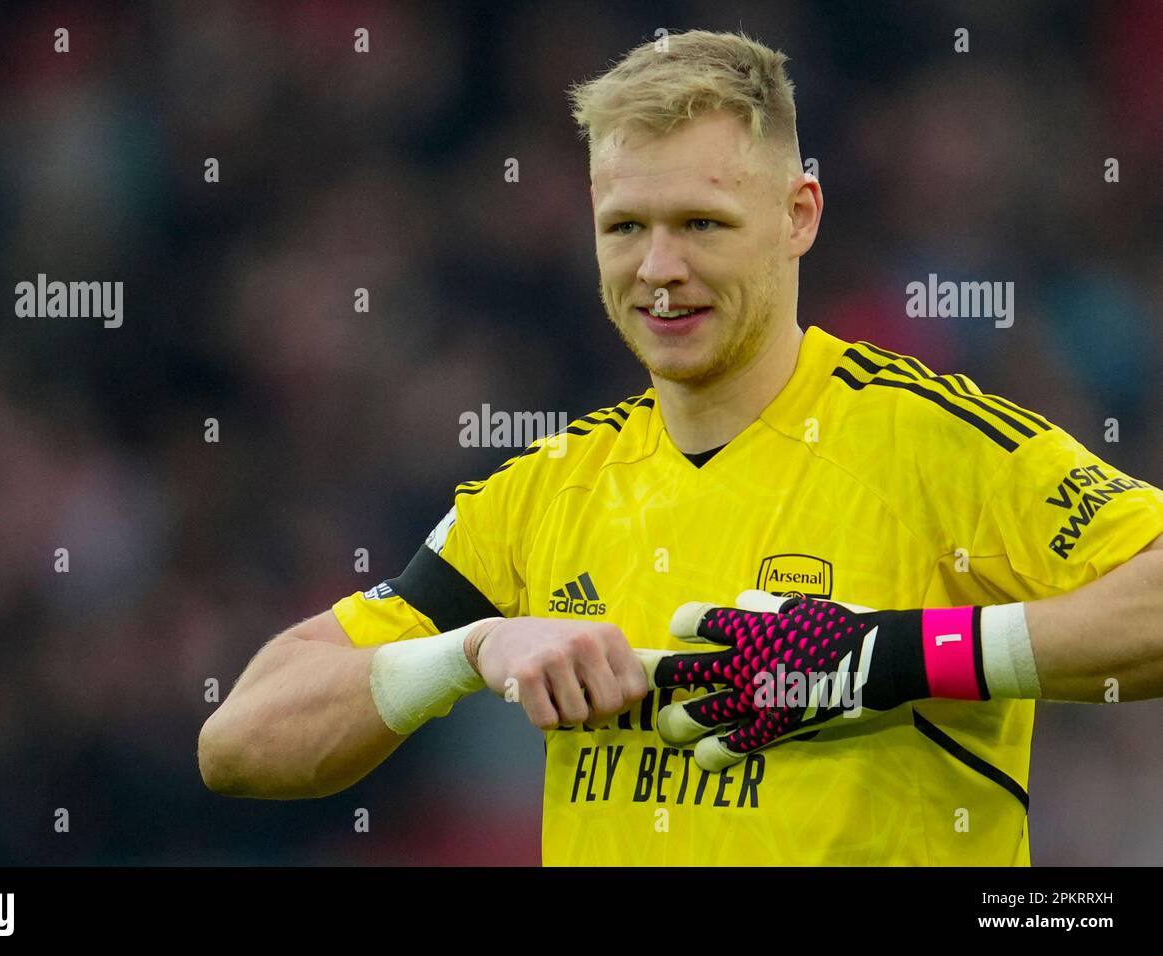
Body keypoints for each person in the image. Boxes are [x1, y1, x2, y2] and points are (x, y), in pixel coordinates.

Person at [197, 30, 1163, 865]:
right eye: (626, 228)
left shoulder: (932, 443)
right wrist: (468, 650)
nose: (659, 271)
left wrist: (889, 655)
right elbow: (236, 745)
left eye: (703, 223)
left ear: (798, 216)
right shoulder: (544, 491)